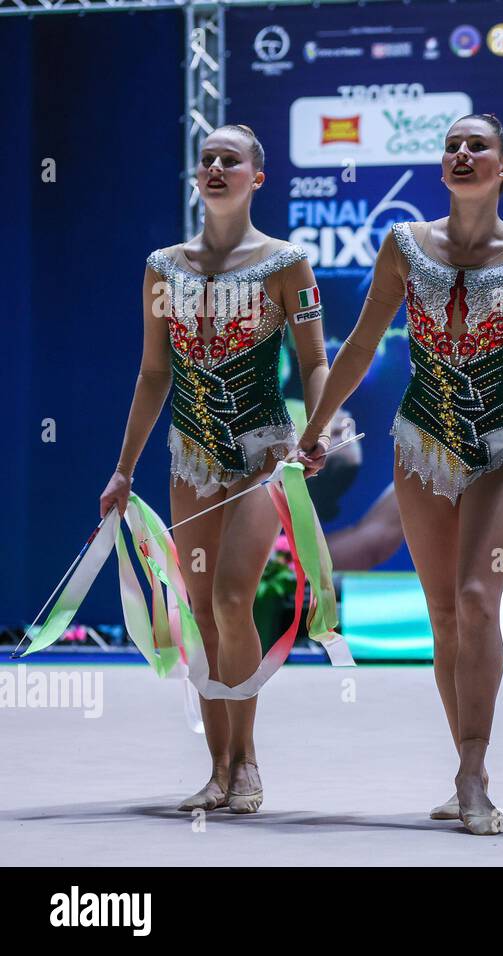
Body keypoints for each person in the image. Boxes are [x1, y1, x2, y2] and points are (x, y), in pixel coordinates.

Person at [296, 113, 503, 835]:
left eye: (478, 146)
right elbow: (358, 348)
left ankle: (473, 771)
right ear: (443, 168)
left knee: (476, 597)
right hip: (421, 447)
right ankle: (465, 761)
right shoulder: (405, 246)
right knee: (443, 615)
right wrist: (315, 432)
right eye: (452, 147)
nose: (462, 154)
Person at [100, 124, 330, 814]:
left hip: (262, 453)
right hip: (191, 454)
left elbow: (316, 361)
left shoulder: (286, 262)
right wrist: (123, 471)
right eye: (207, 160)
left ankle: (249, 757)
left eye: (231, 160)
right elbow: (152, 373)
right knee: (197, 609)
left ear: (257, 178)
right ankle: (217, 765)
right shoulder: (162, 266)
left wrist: (316, 432)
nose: (216, 168)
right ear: (196, 177)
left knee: (233, 598)